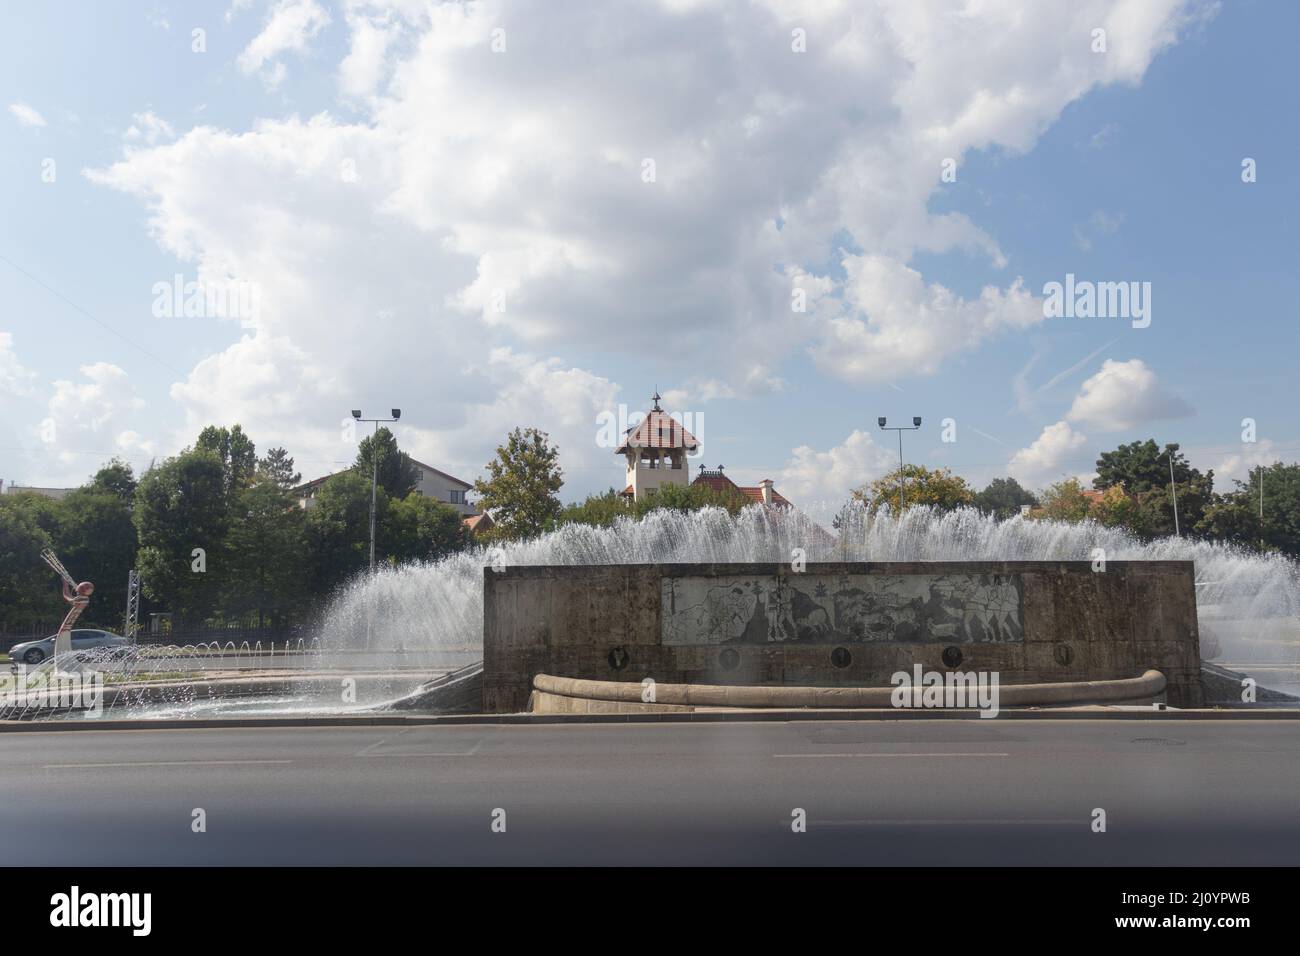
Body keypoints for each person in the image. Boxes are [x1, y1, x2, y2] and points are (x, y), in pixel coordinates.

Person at [52, 580, 94, 665]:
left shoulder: (80, 599)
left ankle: (63, 665)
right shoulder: (85, 599)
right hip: (69, 624)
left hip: (67, 624)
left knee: (61, 644)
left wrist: (65, 584)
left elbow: (67, 596)